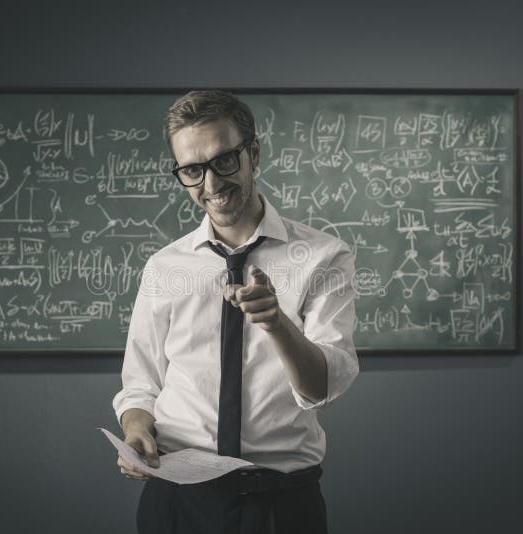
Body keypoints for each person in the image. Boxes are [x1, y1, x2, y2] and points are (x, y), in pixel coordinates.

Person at [112, 90, 359, 534]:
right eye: (192, 170)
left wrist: (276, 323)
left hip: (281, 505)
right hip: (177, 502)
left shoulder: (323, 258)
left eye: (224, 160)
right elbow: (141, 385)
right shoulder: (164, 267)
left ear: (254, 153)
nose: (211, 185)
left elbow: (323, 387)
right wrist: (136, 432)